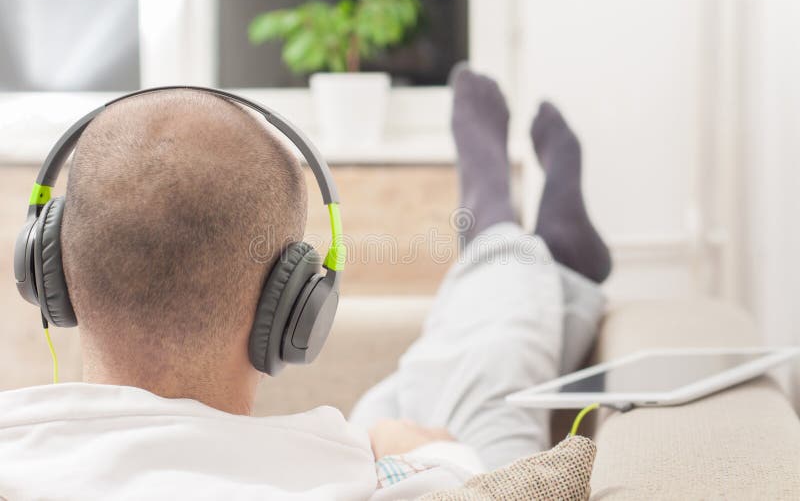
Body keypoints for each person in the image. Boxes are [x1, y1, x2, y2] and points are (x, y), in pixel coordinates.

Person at [0, 68, 610, 500]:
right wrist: (406, 450)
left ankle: (536, 253)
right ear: (294, 306)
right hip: (412, 449)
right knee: (467, 377)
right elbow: (466, 473)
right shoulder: (371, 481)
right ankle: (520, 244)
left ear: (50, 270)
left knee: (406, 391)